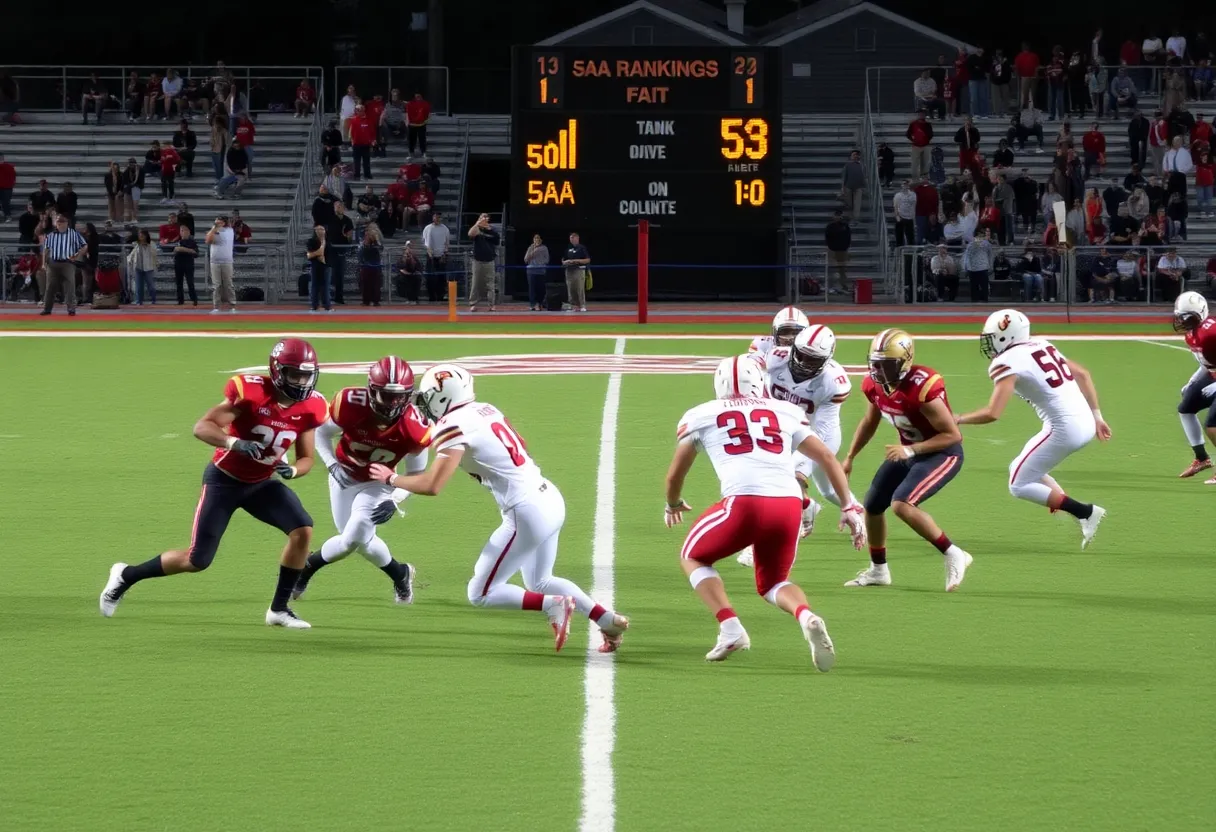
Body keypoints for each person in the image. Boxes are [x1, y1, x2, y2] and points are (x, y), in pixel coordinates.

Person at [368, 364, 631, 653]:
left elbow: (433, 485)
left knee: (480, 593)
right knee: (541, 580)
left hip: (526, 511)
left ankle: (554, 606)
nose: (426, 403)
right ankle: (607, 620)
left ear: (444, 397)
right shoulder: (485, 409)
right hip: (549, 498)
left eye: (430, 396)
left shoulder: (451, 425)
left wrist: (392, 478)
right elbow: (523, 446)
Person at [99, 339, 329, 629]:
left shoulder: (312, 406)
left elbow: (307, 457)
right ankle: (126, 575)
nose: (301, 381)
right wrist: (234, 442)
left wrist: (293, 471)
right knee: (197, 560)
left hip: (262, 483)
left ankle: (279, 610)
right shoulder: (252, 392)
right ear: (277, 371)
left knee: (302, 530)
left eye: (306, 375)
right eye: (295, 374)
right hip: (225, 482)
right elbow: (202, 426)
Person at [663, 355, 864, 665]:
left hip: (744, 504)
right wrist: (848, 505)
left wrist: (673, 502)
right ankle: (805, 614)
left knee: (693, 556)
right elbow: (825, 455)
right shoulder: (786, 411)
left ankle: (730, 628)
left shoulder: (702, 414)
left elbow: (676, 474)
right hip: (788, 506)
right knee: (773, 583)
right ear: (759, 382)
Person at [956, 310, 1110, 547]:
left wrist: (957, 419)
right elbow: (1083, 374)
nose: (989, 343)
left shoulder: (1007, 362)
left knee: (1018, 485)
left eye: (992, 336)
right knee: (1019, 469)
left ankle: (1085, 512)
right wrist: (1098, 417)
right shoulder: (1041, 344)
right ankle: (1062, 502)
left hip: (1064, 429)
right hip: (1086, 423)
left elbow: (992, 413)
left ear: (1006, 336)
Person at [842, 330, 974, 591]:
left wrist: (911, 451)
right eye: (875, 363)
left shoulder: (921, 387)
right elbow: (870, 420)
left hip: (942, 453)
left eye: (886, 364)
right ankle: (879, 571)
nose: (878, 370)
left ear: (904, 361)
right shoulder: (874, 385)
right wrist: (850, 457)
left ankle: (953, 553)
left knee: (902, 503)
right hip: (910, 451)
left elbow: (952, 434)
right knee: (873, 504)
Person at [292, 357, 427, 603]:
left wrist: (395, 500)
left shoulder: (414, 425)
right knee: (356, 540)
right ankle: (401, 573)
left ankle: (306, 568)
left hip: (379, 482)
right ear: (371, 391)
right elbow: (322, 432)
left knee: (353, 537)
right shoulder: (349, 403)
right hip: (343, 475)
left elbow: (416, 475)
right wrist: (332, 464)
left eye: (399, 396)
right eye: (386, 395)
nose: (392, 403)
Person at [756, 326, 856, 545]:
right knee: (829, 491)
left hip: (817, 434)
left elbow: (821, 429)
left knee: (787, 477)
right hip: (783, 430)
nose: (802, 363)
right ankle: (857, 512)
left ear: (826, 359)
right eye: (800, 355)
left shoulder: (832, 382)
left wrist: (800, 464)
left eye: (812, 360)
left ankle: (767, 538)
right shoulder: (775, 359)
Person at [1172, 292, 1216, 481]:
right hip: (1212, 375)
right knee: (1186, 408)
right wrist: (1192, 382)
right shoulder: (1192, 334)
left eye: (1188, 316)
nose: (1184, 320)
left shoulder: (1211, 333)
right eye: (1182, 316)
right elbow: (1206, 363)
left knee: (1212, 425)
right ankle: (1201, 458)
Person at [39, 214, 86, 317]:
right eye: (58, 223)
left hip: (67, 263)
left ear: (66, 224)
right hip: (53, 263)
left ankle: (71, 309)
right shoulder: (51, 235)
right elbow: (46, 250)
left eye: (61, 223)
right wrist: (44, 263)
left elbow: (84, 245)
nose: (59, 225)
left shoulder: (73, 234)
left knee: (70, 286)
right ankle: (47, 309)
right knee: (50, 287)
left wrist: (77, 255)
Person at [468, 213, 499, 312]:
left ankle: (492, 304)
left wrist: (488, 228)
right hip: (477, 260)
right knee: (475, 283)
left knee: (490, 284)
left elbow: (497, 240)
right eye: (482, 217)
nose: (484, 219)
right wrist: (477, 224)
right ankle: (473, 303)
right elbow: (470, 234)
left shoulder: (493, 230)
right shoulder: (477, 229)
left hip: (489, 260)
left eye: (485, 217)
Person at [205, 215, 237, 313]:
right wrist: (214, 228)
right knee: (216, 285)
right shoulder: (214, 230)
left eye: (218, 222)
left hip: (227, 261)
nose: (216, 223)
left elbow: (211, 239)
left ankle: (232, 305)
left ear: (223, 222)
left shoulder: (229, 231)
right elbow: (208, 240)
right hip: (215, 261)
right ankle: (216, 306)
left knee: (228, 284)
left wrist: (215, 229)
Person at [422, 211, 450, 302]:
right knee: (430, 277)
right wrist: (430, 256)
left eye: (439, 217)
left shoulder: (445, 229)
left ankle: (440, 295)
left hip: (441, 255)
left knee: (441, 277)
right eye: (435, 217)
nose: (437, 219)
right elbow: (426, 243)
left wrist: (444, 254)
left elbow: (446, 243)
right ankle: (431, 296)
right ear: (433, 218)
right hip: (431, 256)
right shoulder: (428, 228)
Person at [127, 228, 158, 305]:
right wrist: (129, 260)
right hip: (138, 267)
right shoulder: (136, 244)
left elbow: (154, 252)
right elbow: (132, 254)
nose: (141, 237)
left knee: (151, 285)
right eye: (139, 235)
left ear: (146, 236)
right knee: (138, 286)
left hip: (149, 267)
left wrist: (147, 245)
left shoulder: (152, 244)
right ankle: (139, 301)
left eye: (142, 236)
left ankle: (153, 299)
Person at [561, 231, 590, 312]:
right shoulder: (568, 248)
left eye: (573, 238)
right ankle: (573, 305)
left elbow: (587, 259)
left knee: (579, 288)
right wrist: (565, 262)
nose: (572, 239)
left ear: (577, 238)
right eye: (570, 238)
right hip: (569, 270)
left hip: (579, 270)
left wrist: (575, 260)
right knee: (570, 288)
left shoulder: (582, 248)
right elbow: (563, 258)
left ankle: (582, 305)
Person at [306, 224, 332, 313]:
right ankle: (314, 305)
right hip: (315, 265)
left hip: (326, 266)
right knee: (314, 286)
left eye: (322, 229)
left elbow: (328, 255)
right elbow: (309, 255)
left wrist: (315, 254)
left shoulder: (328, 242)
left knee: (325, 286)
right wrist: (318, 253)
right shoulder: (311, 241)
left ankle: (327, 305)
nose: (321, 231)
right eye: (318, 229)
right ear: (315, 231)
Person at [357, 224, 384, 306]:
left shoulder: (377, 243)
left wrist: (376, 239)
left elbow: (380, 249)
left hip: (375, 265)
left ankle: (376, 300)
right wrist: (361, 262)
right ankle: (366, 300)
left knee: (376, 283)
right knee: (365, 283)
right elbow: (361, 252)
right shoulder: (364, 242)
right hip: (366, 264)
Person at [173, 223, 198, 306]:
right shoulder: (178, 241)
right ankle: (180, 300)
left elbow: (195, 253)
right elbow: (176, 249)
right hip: (178, 264)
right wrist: (188, 250)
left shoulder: (192, 242)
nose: (182, 232)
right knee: (179, 283)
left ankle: (194, 299)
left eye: (183, 230)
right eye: (181, 231)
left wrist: (184, 249)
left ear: (188, 232)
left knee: (190, 282)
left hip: (188, 265)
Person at [524, 233, 549, 311]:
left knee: (540, 289)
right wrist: (533, 252)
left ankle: (540, 303)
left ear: (541, 240)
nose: (536, 240)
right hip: (531, 271)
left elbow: (547, 259)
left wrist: (540, 263)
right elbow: (525, 259)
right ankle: (533, 304)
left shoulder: (544, 248)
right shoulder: (530, 248)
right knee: (532, 289)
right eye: (535, 238)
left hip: (540, 271)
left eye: (538, 238)